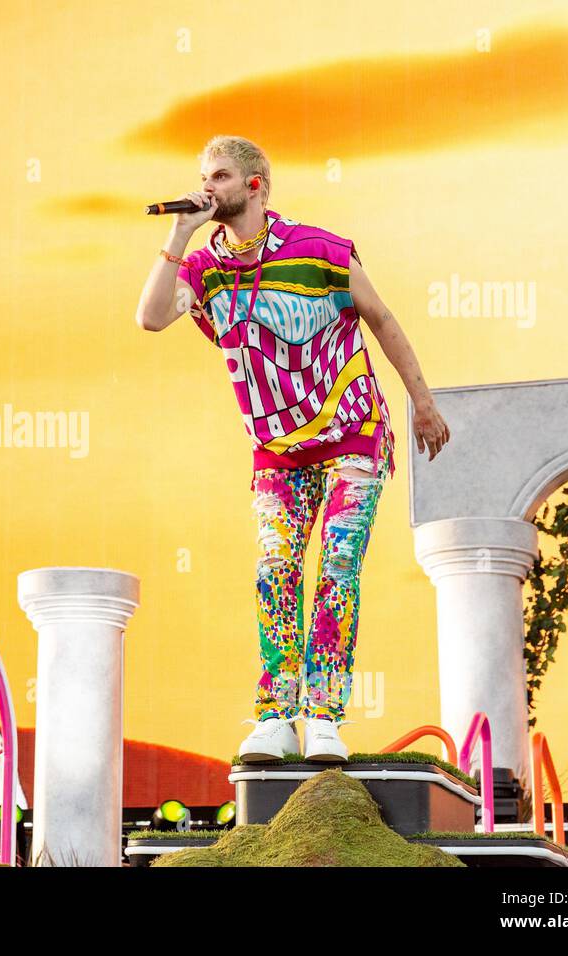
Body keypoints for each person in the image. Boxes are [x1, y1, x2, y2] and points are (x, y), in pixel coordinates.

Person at [135, 135, 450, 764]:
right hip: (277, 450)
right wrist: (180, 237)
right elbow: (150, 316)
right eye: (203, 176)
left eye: (220, 176)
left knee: (336, 567)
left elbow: (382, 319)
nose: (208, 186)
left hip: (351, 434)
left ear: (257, 184)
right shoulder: (207, 267)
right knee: (274, 570)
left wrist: (422, 401)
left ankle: (324, 718)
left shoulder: (319, 251)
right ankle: (276, 717)